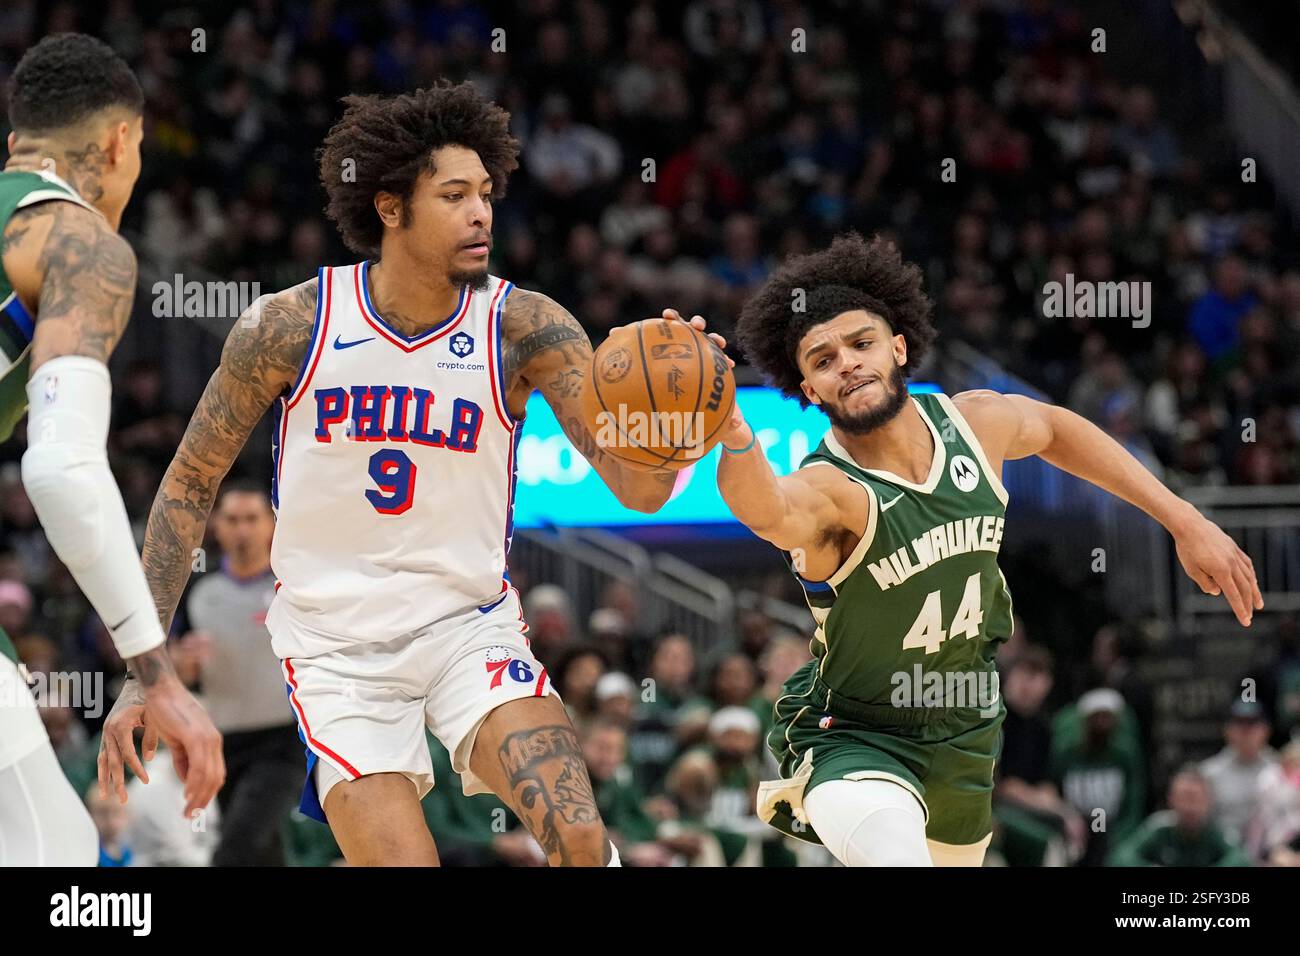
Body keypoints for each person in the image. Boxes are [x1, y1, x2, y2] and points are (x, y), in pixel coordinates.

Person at [100, 80, 725, 867]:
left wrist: (681, 422)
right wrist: (143, 670)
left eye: (487, 195)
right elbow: (188, 488)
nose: (481, 214)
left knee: (578, 833)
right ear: (390, 207)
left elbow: (639, 487)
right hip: (335, 650)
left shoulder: (524, 327)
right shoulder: (290, 326)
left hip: (469, 624)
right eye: (455, 195)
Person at [715, 232, 1263, 866]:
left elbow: (1058, 428)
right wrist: (731, 432)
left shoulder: (974, 425)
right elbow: (768, 511)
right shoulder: (831, 490)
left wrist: (1183, 519)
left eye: (861, 343)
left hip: (965, 722)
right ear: (809, 389)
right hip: (858, 732)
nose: (848, 363)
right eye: (823, 359)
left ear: (898, 347)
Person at [0, 33, 222, 866]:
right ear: (121, 141)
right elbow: (60, 470)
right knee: (51, 852)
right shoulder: (77, 242)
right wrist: (156, 673)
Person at [177, 480, 304, 866]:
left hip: (285, 739)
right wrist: (184, 663)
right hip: (223, 739)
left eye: (252, 519)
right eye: (232, 519)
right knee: (261, 849)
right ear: (217, 526)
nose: (243, 530)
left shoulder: (293, 586)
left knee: (237, 845)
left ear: (272, 525)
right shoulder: (198, 589)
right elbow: (174, 668)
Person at [1109, 766, 1251, 867]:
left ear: (1209, 800)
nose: (1190, 806)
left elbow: (1241, 859)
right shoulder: (1159, 826)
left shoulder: (1218, 830)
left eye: (1196, 798)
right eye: (1184, 797)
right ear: (1170, 799)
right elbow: (1121, 857)